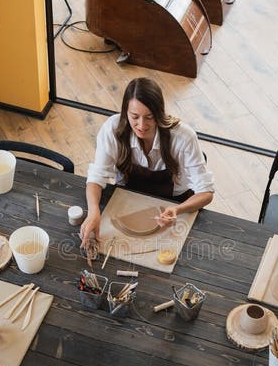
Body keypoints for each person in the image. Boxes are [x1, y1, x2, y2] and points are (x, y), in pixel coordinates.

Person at [80, 78, 215, 246]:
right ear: (125, 112)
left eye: (149, 117)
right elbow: (97, 176)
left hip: (173, 204)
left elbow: (206, 192)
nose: (142, 125)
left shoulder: (183, 137)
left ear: (159, 113)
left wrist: (176, 209)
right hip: (128, 199)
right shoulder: (113, 129)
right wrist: (93, 211)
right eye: (134, 116)